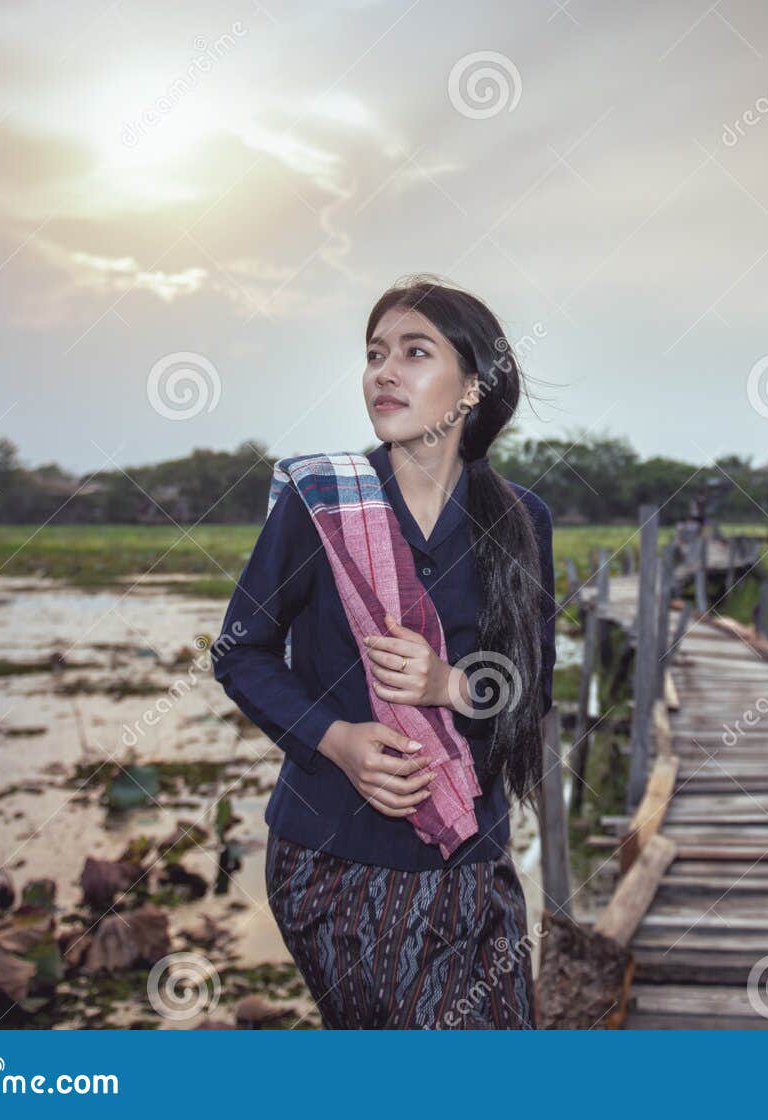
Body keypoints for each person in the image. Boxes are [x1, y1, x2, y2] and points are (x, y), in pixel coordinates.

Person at [212, 275, 555, 1028]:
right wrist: (335, 741)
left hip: (471, 860)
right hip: (333, 861)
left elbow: (533, 686)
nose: (384, 372)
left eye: (414, 353)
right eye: (375, 354)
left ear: (470, 387)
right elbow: (241, 651)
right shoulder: (320, 501)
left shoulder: (522, 520)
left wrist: (450, 687)